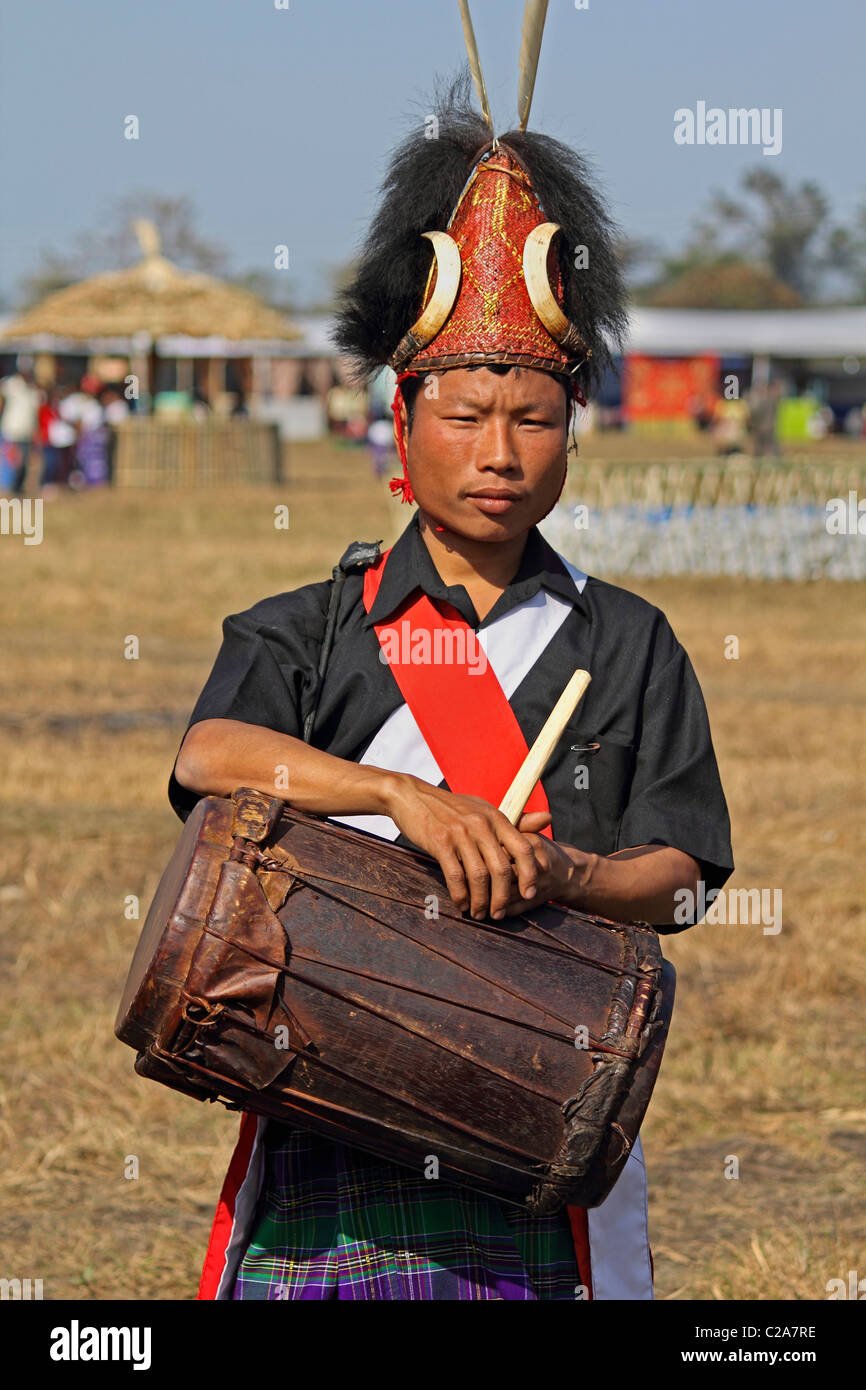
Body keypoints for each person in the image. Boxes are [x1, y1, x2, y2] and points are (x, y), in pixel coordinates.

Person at [170, 76, 733, 1302]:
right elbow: (210, 754)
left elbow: (680, 880)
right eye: (466, 410)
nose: (496, 452)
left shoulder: (625, 641)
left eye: (531, 417)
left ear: (572, 429)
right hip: (326, 1093)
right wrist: (398, 799)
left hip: (536, 1105)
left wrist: (566, 878)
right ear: (402, 413)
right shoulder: (316, 625)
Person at [0, 360, 42, 494]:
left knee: (23, 462)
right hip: (12, 430)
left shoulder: (32, 389)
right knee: (12, 462)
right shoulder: (11, 384)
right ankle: (10, 488)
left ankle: (18, 489)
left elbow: (35, 412)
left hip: (26, 431)